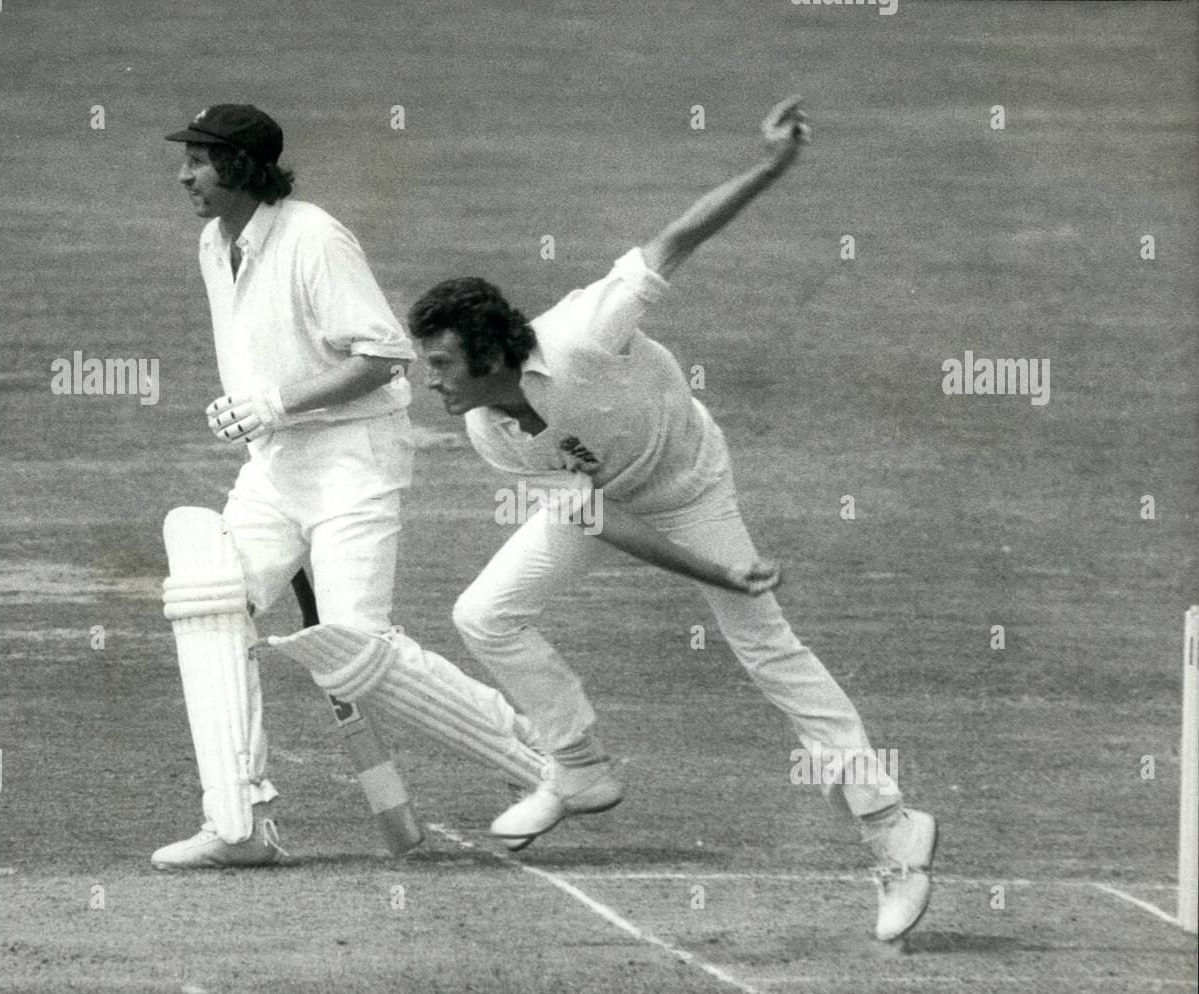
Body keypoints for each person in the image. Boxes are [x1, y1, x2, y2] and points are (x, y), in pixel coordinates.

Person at [407, 98, 937, 941]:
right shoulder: (489, 432)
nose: (430, 381)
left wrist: (772, 165)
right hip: (619, 497)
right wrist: (704, 572)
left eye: (440, 364)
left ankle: (891, 827)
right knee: (484, 613)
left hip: (692, 484)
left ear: (492, 353)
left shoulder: (585, 334)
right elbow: (595, 519)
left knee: (767, 648)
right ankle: (579, 766)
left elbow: (678, 240)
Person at [156, 104, 583, 869]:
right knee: (210, 604)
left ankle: (554, 765)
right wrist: (259, 412)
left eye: (199, 160)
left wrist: (277, 400)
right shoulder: (211, 242)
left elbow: (384, 356)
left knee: (356, 647)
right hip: (276, 464)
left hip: (353, 458)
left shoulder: (314, 238)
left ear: (243, 168)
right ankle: (238, 822)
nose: (184, 173)